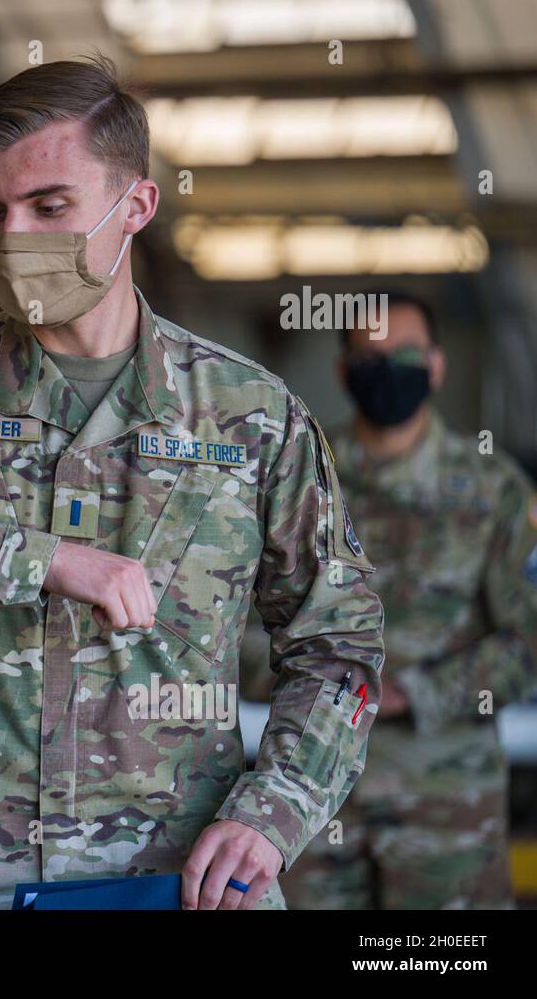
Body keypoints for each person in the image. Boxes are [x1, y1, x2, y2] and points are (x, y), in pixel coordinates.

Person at [0, 54, 385, 911]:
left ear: (136, 206)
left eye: (50, 208)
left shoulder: (251, 417)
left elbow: (338, 642)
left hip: (177, 885)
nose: (15, 240)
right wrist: (35, 559)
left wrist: (276, 812)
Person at [266, 293, 537, 908]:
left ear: (436, 366)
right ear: (342, 372)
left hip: (447, 808)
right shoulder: (303, 479)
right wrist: (328, 683)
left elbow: (529, 643)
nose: (388, 369)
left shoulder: (495, 491)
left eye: (406, 355)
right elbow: (237, 628)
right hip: (312, 794)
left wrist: (414, 693)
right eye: (371, 357)